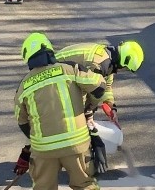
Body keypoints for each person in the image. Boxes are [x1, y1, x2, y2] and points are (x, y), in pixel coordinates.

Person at [16, 33, 108, 190]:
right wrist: (89, 108)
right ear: (49, 51)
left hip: (43, 150)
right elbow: (99, 86)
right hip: (77, 144)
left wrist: (38, 137)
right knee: (84, 184)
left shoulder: (24, 85)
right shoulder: (69, 70)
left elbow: (21, 120)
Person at [56, 40, 145, 175]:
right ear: (124, 62)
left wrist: (111, 107)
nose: (123, 71)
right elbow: (88, 90)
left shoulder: (108, 60)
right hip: (56, 77)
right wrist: (88, 114)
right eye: (126, 68)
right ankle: (65, 159)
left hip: (67, 76)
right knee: (72, 120)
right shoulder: (99, 64)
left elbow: (106, 87)